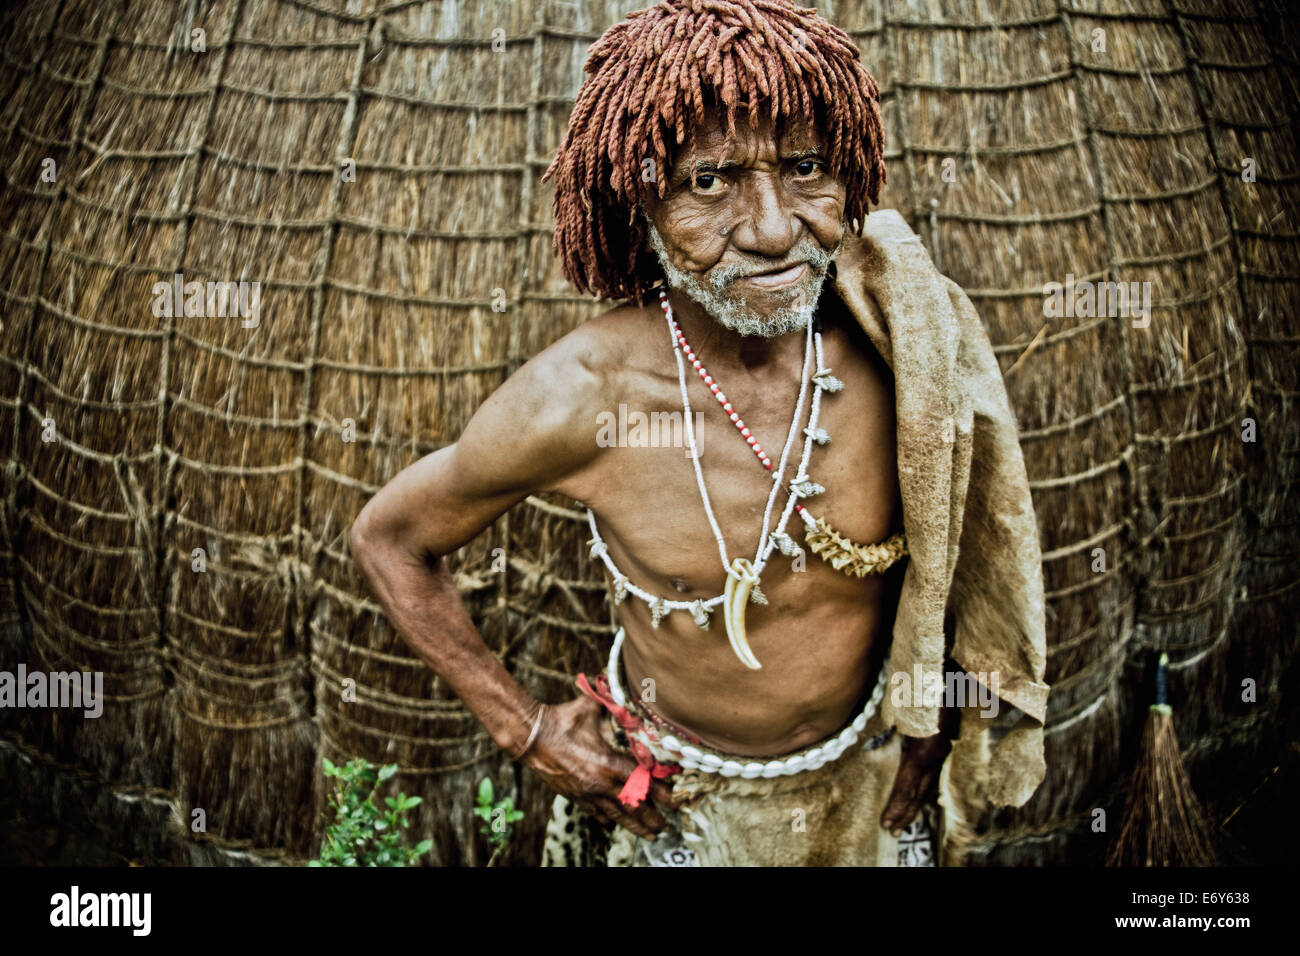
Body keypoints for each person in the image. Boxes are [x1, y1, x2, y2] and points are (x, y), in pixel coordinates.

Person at [350, 0, 1049, 866]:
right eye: (709, 181)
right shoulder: (582, 398)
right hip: (680, 808)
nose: (771, 228)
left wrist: (930, 701)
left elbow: (957, 555)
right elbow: (390, 538)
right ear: (639, 195)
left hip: (870, 784)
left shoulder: (900, 349)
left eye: (804, 168)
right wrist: (527, 733)